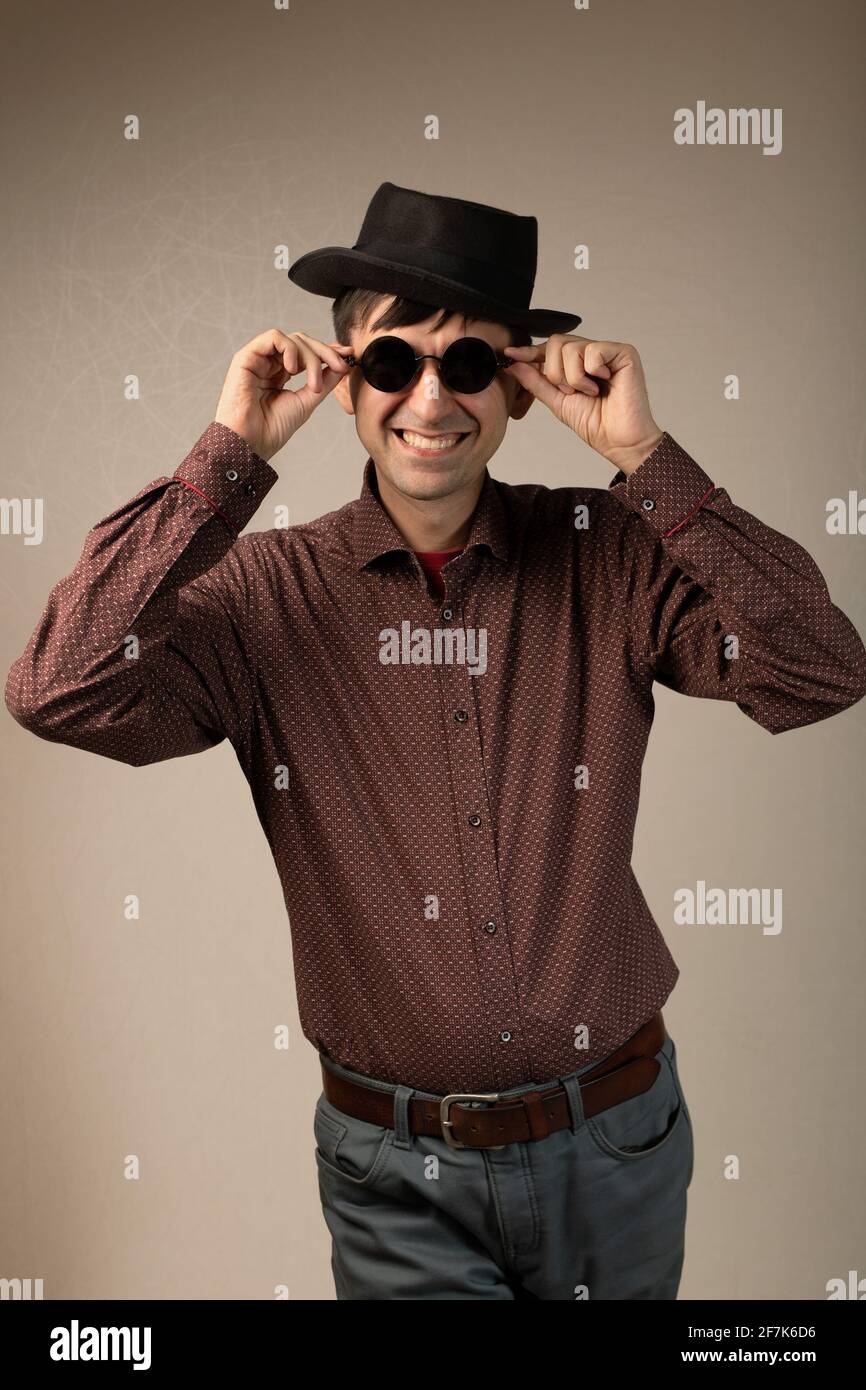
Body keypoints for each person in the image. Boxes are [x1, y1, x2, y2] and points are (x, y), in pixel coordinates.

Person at [6, 182, 866, 1300]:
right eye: (391, 362)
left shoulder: (605, 553)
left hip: (614, 1146)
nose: (428, 397)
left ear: (513, 389)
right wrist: (226, 455)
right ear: (347, 381)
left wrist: (647, 456)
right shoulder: (263, 596)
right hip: (392, 1174)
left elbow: (821, 669)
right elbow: (56, 685)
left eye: (466, 365)